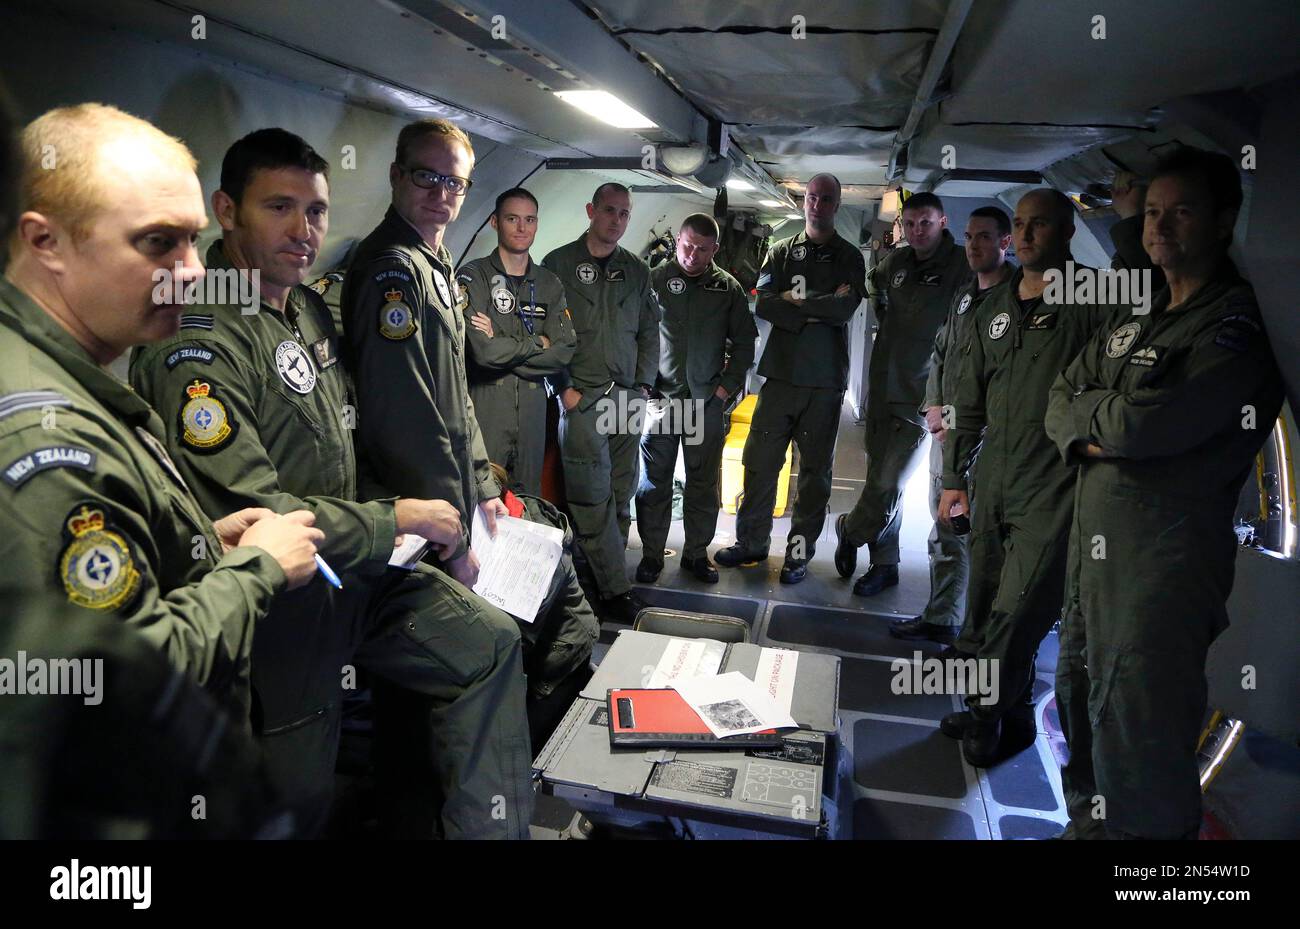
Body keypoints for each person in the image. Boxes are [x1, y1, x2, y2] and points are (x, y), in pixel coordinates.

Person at [131, 128, 534, 838]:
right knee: (293, 803)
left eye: (316, 211)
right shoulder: (197, 341)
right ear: (226, 211)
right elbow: (254, 515)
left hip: (356, 573)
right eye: (279, 208)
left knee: (489, 643)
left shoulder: (311, 309)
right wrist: (399, 518)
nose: (304, 230)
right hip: (280, 607)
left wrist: (450, 502)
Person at [0, 104, 321, 728]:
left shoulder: (66, 377)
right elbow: (121, 681)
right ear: (45, 242)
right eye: (157, 242)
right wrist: (257, 571)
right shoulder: (50, 441)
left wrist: (198, 544)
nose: (194, 272)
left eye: (194, 242)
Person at [1046, 148, 1283, 839]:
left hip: (1159, 572)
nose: (1160, 227)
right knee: (1082, 706)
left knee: (1140, 741)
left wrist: (1101, 420)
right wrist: (1103, 424)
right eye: (1151, 212)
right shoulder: (1138, 314)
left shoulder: (1232, 327)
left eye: (1180, 212)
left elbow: (1150, 423)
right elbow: (1062, 400)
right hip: (1096, 567)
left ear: (1223, 221)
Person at [937, 188, 1112, 767]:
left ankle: (988, 716)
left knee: (1018, 612)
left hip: (1055, 488)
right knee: (983, 603)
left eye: (1043, 225)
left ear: (1066, 232)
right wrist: (954, 474)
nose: (1030, 234)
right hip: (995, 478)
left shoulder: (1096, 298)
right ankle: (1001, 713)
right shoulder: (999, 304)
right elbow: (969, 395)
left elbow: (1122, 378)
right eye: (1022, 223)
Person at [341, 117, 505, 592]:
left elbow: (457, 395)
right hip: (417, 508)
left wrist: (484, 489)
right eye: (425, 176)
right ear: (396, 175)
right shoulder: (392, 270)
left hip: (450, 499)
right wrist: (450, 536)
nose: (440, 193)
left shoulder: (436, 260)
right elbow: (407, 415)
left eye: (453, 181)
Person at [715, 173, 866, 584]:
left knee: (815, 475)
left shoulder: (850, 256)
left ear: (837, 204)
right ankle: (751, 543)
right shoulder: (780, 252)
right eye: (812, 197)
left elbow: (845, 309)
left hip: (825, 382)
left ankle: (798, 555)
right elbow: (764, 304)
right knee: (760, 463)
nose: (818, 205)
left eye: (826, 198)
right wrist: (818, 306)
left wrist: (795, 301)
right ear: (805, 202)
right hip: (780, 377)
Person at [835, 192, 971, 596]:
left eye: (925, 223)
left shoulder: (962, 266)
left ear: (943, 222)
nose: (916, 231)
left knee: (890, 483)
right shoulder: (895, 263)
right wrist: (882, 312)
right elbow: (874, 284)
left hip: (925, 397)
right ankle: (884, 564)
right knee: (879, 475)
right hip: (883, 388)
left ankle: (850, 528)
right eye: (909, 224)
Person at [890, 206, 1013, 644]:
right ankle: (942, 617)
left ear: (1005, 242)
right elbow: (941, 353)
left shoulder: (1015, 300)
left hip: (985, 441)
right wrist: (933, 406)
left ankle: (976, 637)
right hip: (948, 435)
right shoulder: (965, 296)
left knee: (977, 537)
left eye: (985, 237)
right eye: (969, 236)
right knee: (944, 528)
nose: (975, 245)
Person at [542, 183, 658, 622]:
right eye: (609, 211)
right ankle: (613, 589)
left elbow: (649, 332)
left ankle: (604, 579)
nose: (617, 220)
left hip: (626, 398)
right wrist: (564, 389)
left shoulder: (637, 270)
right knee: (590, 500)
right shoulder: (558, 265)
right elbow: (546, 334)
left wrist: (643, 389)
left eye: (625, 214)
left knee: (620, 493)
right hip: (584, 398)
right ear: (591, 210)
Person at [635, 213, 757, 585]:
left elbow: (745, 344)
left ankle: (694, 554)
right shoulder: (654, 281)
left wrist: (724, 391)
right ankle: (652, 555)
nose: (692, 255)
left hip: (706, 402)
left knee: (702, 484)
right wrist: (643, 384)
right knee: (654, 483)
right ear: (677, 242)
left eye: (702, 249)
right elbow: (636, 333)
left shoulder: (728, 289)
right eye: (687, 246)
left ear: (714, 250)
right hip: (661, 400)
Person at [458, 187, 575, 496]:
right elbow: (483, 353)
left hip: (533, 414)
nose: (522, 228)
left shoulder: (549, 283)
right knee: (482, 500)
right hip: (487, 409)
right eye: (512, 219)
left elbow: (563, 352)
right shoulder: (474, 277)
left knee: (528, 503)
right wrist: (538, 343)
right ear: (495, 222)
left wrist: (502, 341)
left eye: (529, 220)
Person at [485, 463, 598, 752]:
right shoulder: (505, 520)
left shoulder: (535, 548)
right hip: (542, 650)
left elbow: (511, 643)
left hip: (556, 662)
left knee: (508, 753)